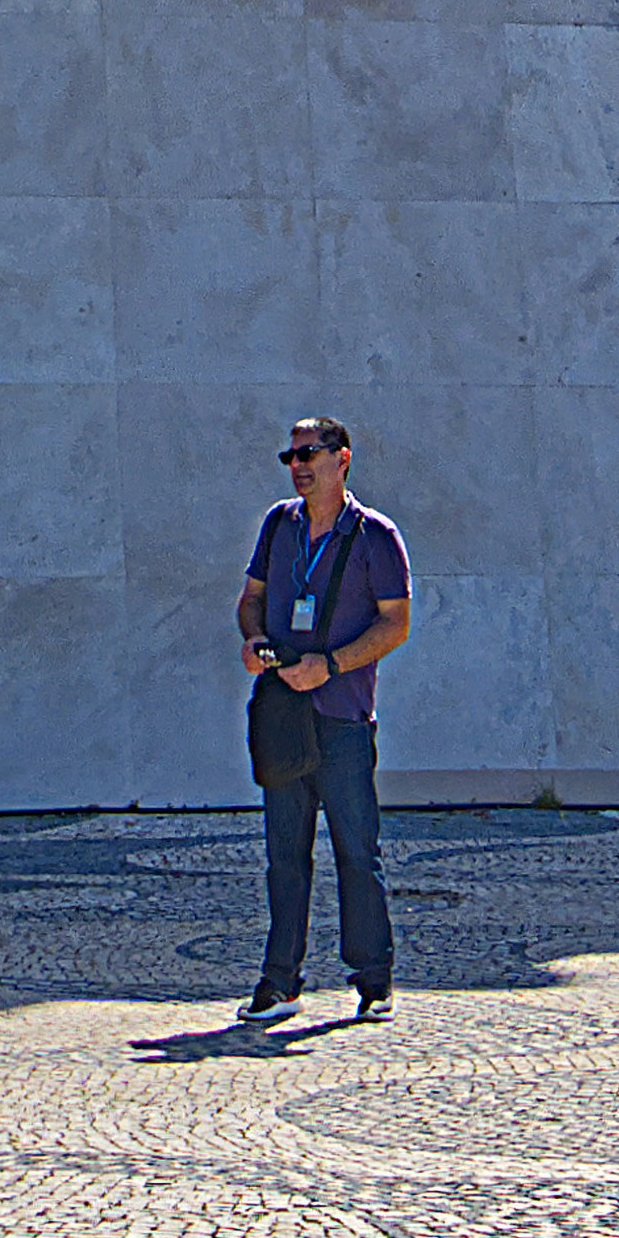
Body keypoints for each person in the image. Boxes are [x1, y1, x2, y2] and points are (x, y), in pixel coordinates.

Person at [237, 415, 407, 1028]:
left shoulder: (375, 536)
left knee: (356, 850)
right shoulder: (279, 526)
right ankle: (279, 980)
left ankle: (373, 978)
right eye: (290, 455)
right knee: (284, 853)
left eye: (310, 452)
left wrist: (330, 664)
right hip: (284, 710)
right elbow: (250, 598)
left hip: (342, 717)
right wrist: (254, 640)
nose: (298, 464)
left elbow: (396, 623)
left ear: (344, 458)